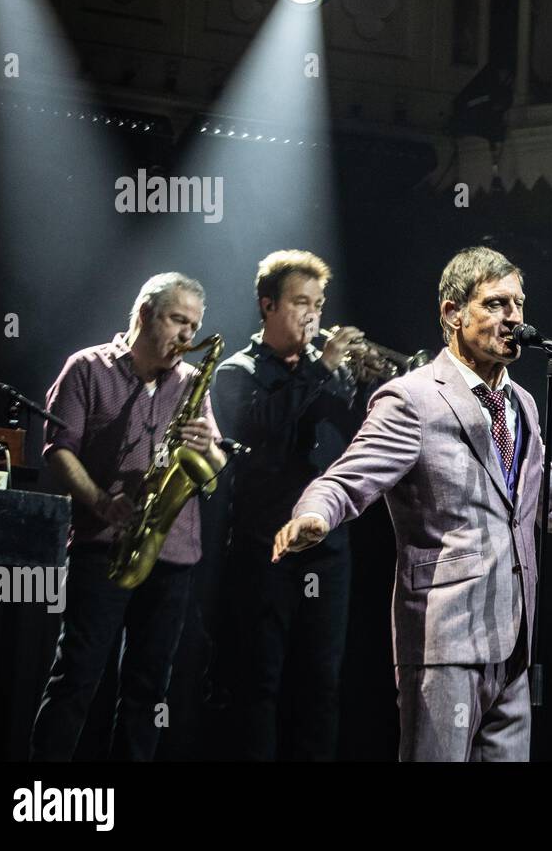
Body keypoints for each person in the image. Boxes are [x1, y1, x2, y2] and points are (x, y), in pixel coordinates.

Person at [273, 246, 552, 761]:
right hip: (444, 645)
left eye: (519, 305)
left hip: (513, 643)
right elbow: (347, 478)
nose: (513, 318)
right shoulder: (412, 399)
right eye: (495, 304)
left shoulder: (522, 405)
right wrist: (314, 514)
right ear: (452, 313)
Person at [31, 272, 224, 760]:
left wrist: (211, 450)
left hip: (173, 551)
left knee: (147, 691)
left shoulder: (190, 383)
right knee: (76, 679)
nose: (187, 336)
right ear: (144, 314)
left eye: (194, 325)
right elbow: (58, 449)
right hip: (104, 546)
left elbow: (213, 468)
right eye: (179, 320)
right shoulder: (87, 368)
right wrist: (100, 500)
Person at [210, 249, 385, 760]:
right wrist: (321, 370)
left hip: (328, 546)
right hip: (265, 544)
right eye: (300, 302)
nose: (313, 315)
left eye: (319, 303)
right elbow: (254, 429)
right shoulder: (236, 371)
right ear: (267, 305)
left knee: (322, 684)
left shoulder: (331, 374)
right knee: (259, 684)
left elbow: (357, 447)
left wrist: (362, 386)